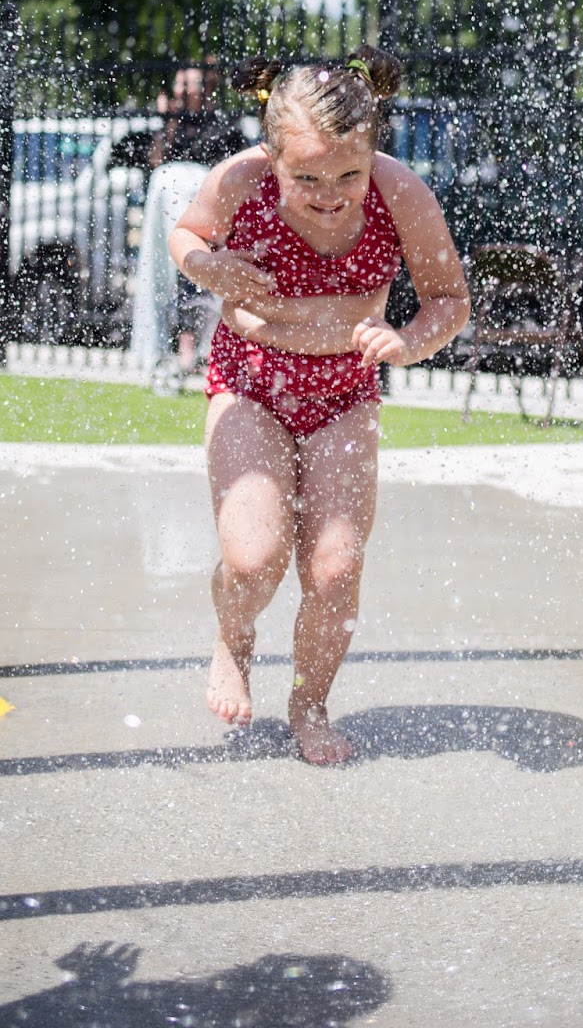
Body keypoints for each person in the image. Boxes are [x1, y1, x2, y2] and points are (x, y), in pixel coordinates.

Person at [167, 47, 470, 765]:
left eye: (347, 175)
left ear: (371, 154)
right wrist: (209, 266)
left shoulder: (401, 194)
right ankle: (233, 642)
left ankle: (309, 705)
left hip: (344, 396)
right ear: (270, 155)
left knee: (333, 571)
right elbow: (186, 235)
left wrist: (407, 342)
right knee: (253, 561)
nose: (330, 194)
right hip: (251, 383)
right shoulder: (238, 179)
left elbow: (448, 301)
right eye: (305, 177)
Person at [130, 66, 243, 383]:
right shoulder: (172, 126)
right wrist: (166, 120)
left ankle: (208, 348)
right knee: (179, 277)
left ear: (204, 87)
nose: (179, 90)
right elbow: (154, 161)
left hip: (207, 218)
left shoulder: (222, 125)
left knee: (204, 279)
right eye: (177, 84)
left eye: (186, 84)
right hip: (173, 218)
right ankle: (183, 348)